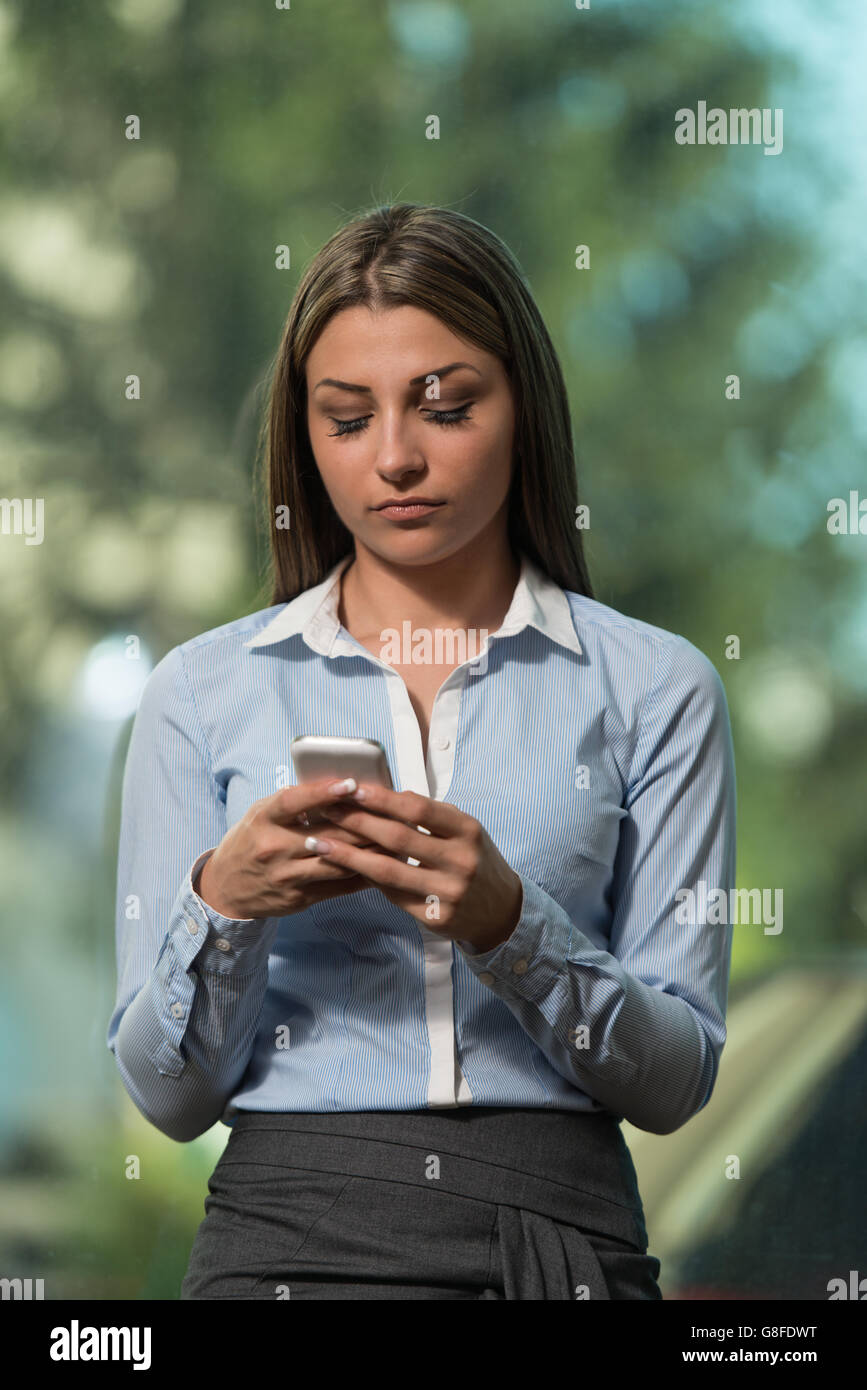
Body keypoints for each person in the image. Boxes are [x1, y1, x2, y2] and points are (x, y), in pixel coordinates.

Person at [106, 202, 736, 1300]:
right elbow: (168, 1098)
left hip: (559, 1245)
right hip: (283, 1250)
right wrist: (225, 904)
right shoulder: (201, 694)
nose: (394, 457)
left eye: (444, 405)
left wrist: (514, 927)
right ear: (304, 435)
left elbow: (678, 1081)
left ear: (522, 404)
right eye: (347, 419)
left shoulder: (658, 686)